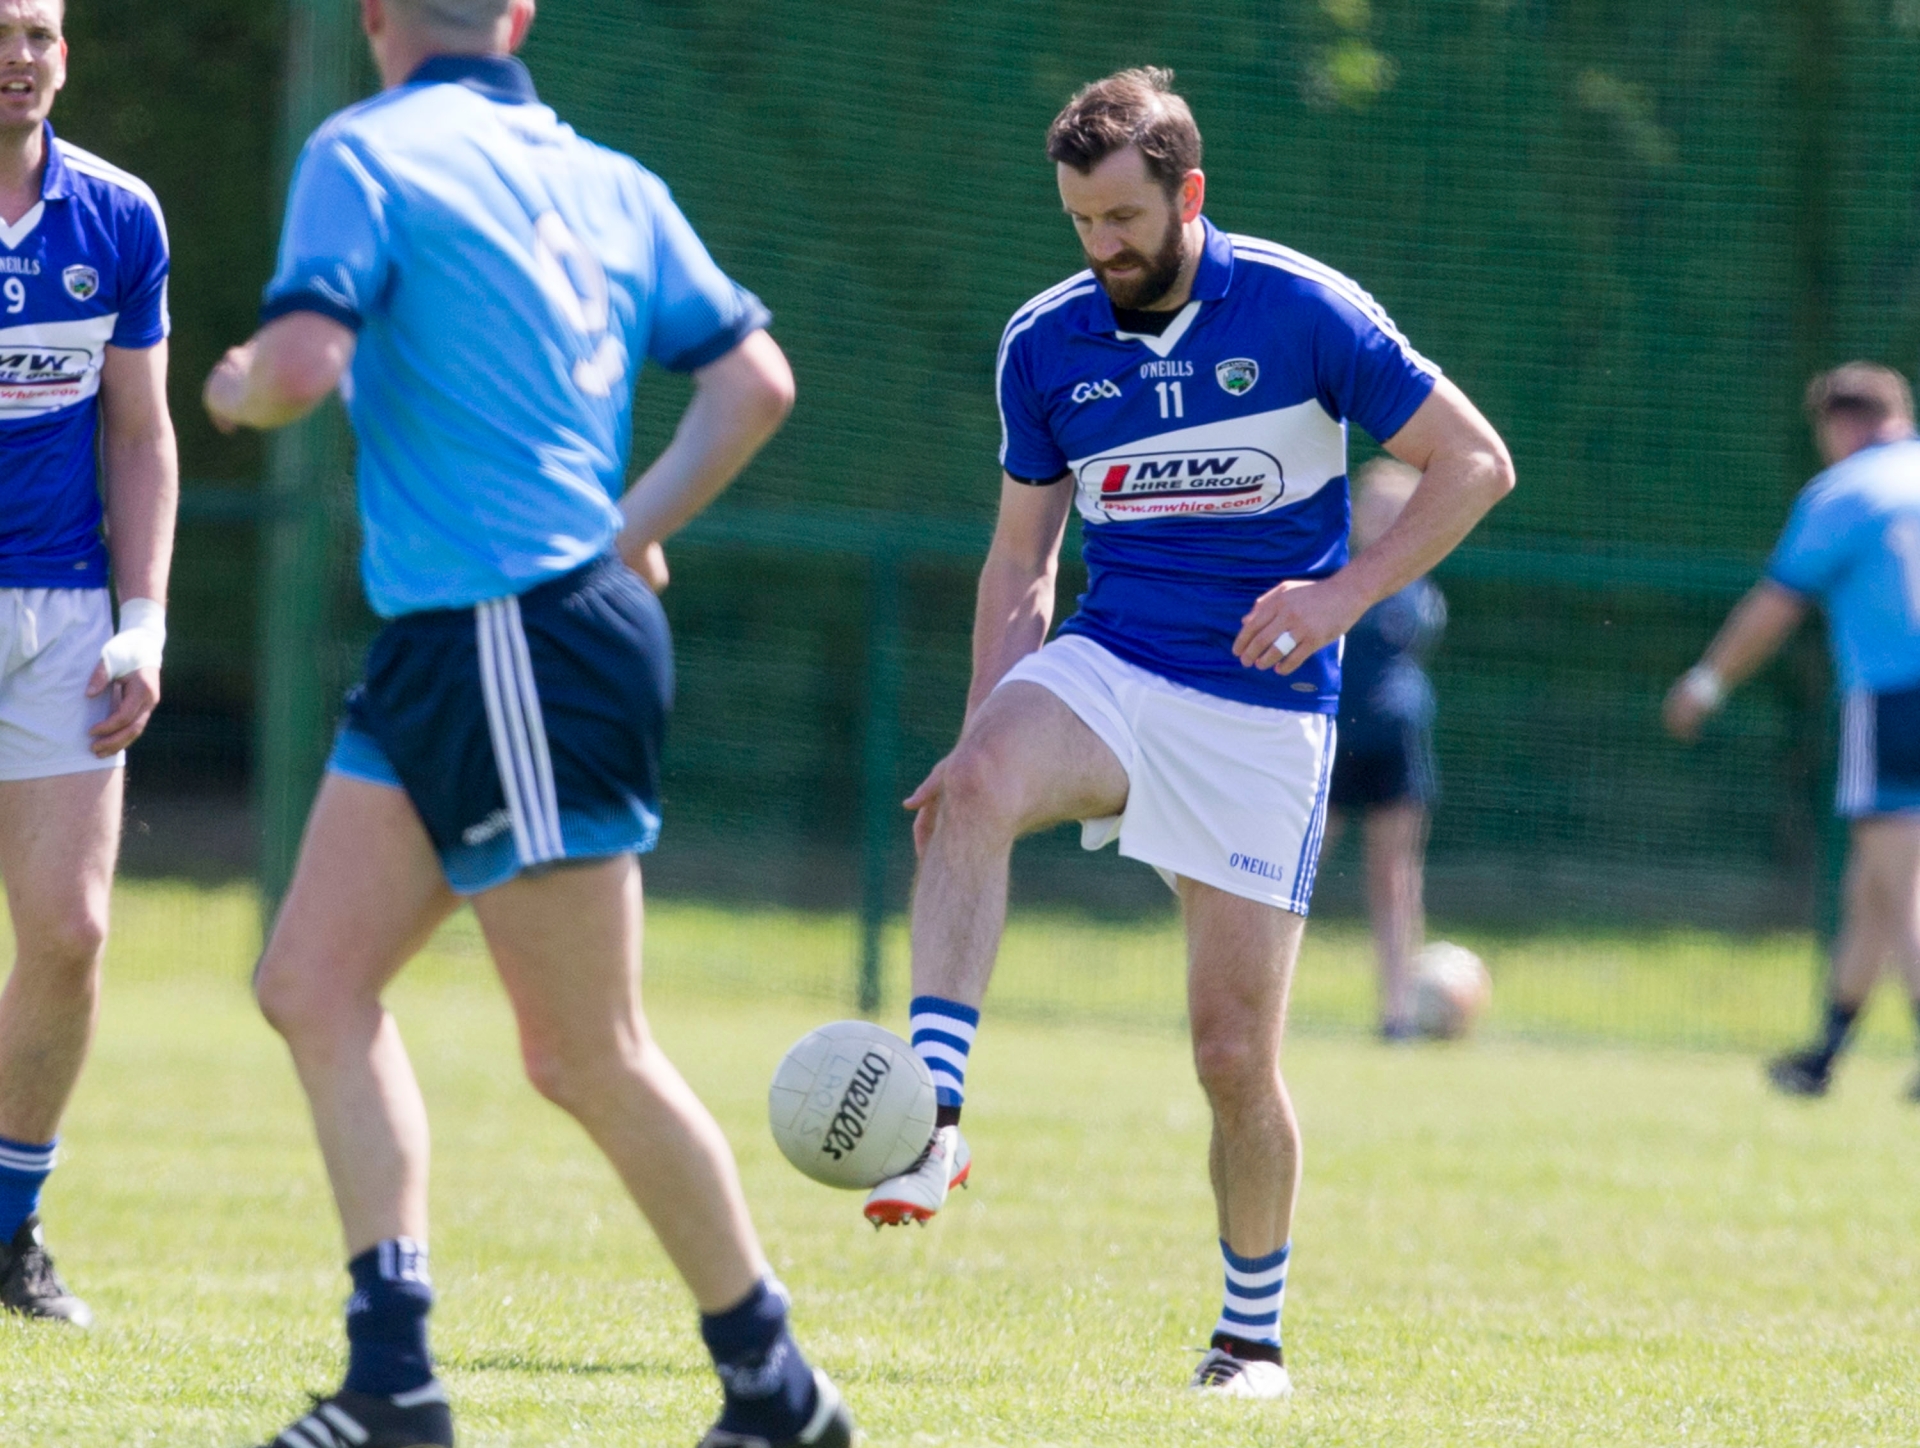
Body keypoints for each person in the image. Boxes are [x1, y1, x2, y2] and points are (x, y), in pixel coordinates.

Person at [201, 3, 851, 1445]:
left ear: (374, 17)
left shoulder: (364, 151)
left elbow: (299, 369)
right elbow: (755, 381)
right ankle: (394, 1382)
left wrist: (239, 390)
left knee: (586, 1051)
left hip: (515, 634)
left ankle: (776, 1387)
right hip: (475, 634)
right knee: (311, 981)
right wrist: (627, 528)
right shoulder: (610, 177)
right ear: (519, 16)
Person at [863, 67, 1513, 1398]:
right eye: (1079, 223)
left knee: (1231, 1057)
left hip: (1264, 714)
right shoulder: (1044, 346)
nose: (1101, 248)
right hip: (1115, 662)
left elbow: (1475, 461)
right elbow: (1020, 570)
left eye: (1122, 219)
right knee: (974, 785)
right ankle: (933, 1120)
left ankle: (1250, 1338)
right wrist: (983, 724)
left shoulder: (1303, 310)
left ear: (1188, 193)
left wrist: (1340, 598)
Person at [0, 0, 178, 1328]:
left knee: (70, 931)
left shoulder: (119, 218)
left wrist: (147, 612)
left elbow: (142, 431)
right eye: (1, 31)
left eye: (42, 35)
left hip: (64, 617)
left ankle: (9, 1237)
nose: (21, 56)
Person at [1666, 362, 1920, 1102]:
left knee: (1901, 883)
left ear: (1839, 426)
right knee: (1873, 882)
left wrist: (1706, 682)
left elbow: (1775, 607)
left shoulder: (1846, 492)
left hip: (1896, 699)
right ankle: (1826, 1054)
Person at [1324, 458, 1448, 1040]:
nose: (1384, 518)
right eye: (1373, 507)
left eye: (1398, 510)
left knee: (1395, 877)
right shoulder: (1326, 575)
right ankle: (1247, 996)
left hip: (1396, 744)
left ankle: (1398, 1015)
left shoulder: (1419, 584)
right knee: (1288, 872)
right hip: (1328, 743)